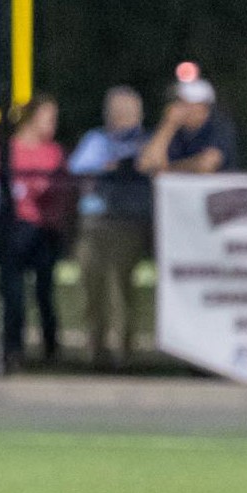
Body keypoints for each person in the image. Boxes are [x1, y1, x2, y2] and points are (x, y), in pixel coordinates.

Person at [66, 86, 152, 368]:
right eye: (116, 110)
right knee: (92, 288)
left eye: (127, 110)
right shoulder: (96, 139)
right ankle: (96, 350)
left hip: (128, 223)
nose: (121, 116)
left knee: (120, 289)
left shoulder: (147, 141)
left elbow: (152, 166)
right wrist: (109, 166)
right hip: (94, 224)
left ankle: (125, 352)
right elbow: (78, 168)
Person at [0, 96, 71, 375]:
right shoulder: (8, 151)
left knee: (44, 293)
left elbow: (61, 192)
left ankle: (51, 350)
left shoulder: (54, 152)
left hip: (45, 232)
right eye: (47, 116)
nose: (52, 123)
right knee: (14, 294)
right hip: (15, 230)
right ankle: (13, 351)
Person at [138, 76, 237, 175]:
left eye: (186, 104)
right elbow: (146, 164)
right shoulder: (172, 128)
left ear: (204, 107)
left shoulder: (218, 126)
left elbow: (207, 164)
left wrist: (167, 169)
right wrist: (168, 126)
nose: (179, 108)